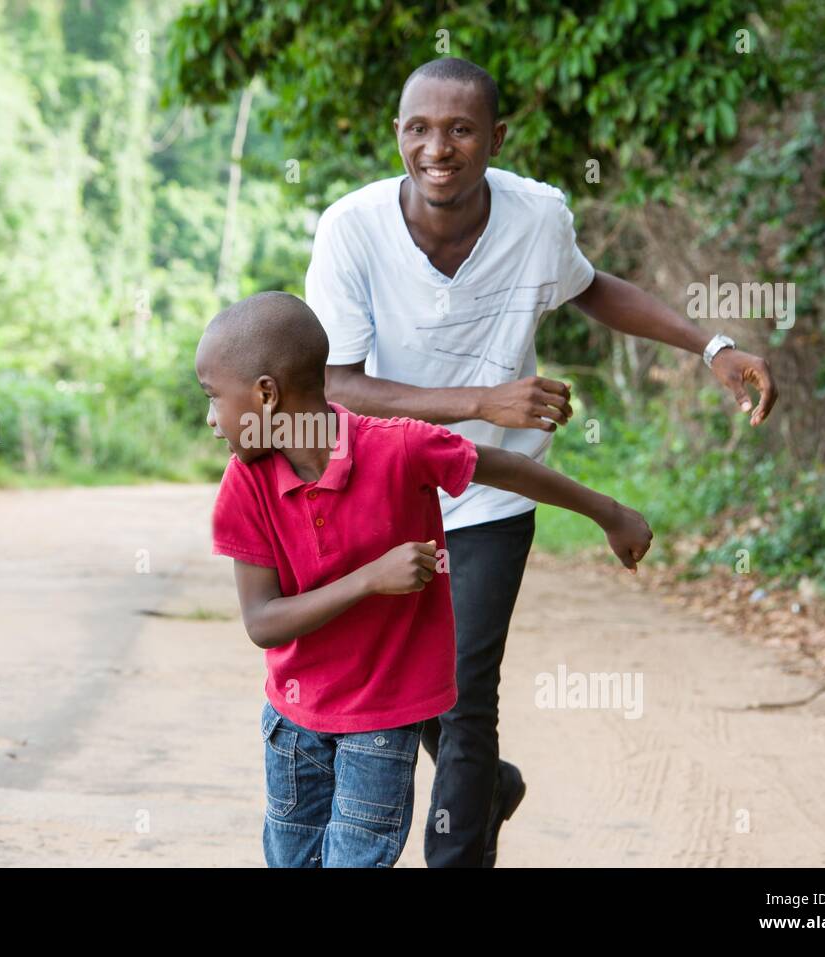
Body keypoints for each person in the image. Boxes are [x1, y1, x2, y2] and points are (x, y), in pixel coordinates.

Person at [304, 56, 779, 867]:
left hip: (493, 491)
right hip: (386, 487)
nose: (437, 148)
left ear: (496, 138)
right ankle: (486, 787)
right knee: (397, 681)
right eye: (419, 129)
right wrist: (483, 401)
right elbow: (339, 383)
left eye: (460, 129)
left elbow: (591, 287)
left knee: (464, 692)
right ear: (397, 134)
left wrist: (712, 346)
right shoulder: (351, 228)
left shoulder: (537, 216)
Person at [198, 290, 652, 867]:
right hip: (293, 724)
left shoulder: (398, 447)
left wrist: (609, 513)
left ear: (266, 394)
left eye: (213, 398)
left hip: (382, 721)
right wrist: (370, 579)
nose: (211, 420)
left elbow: (506, 468)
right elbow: (262, 623)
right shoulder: (246, 484)